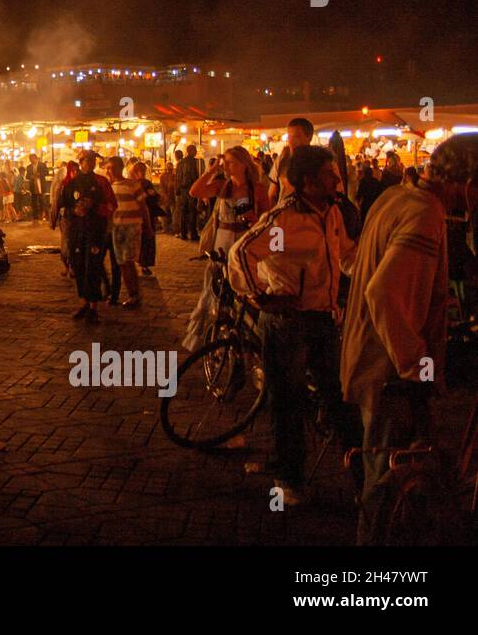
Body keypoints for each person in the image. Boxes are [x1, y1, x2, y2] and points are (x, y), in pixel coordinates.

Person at [341, 133, 477, 542]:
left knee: (392, 471)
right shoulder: (424, 214)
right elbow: (383, 293)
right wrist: (419, 365)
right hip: (389, 372)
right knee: (386, 483)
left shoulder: (396, 197)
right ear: (468, 185)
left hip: (369, 358)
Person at [228, 145, 360, 506]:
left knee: (339, 396)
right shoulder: (285, 221)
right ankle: (289, 479)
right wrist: (260, 297)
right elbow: (242, 253)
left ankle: (363, 475)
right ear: (307, 182)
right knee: (288, 400)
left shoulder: (331, 214)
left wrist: (372, 272)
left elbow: (346, 255)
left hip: (322, 316)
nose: (336, 179)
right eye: (329, 175)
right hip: (288, 322)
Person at [181, 146, 270, 349]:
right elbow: (195, 191)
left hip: (244, 240)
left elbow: (267, 219)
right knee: (216, 287)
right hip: (222, 240)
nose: (227, 166)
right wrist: (212, 170)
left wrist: (253, 219)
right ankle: (213, 333)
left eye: (231, 162)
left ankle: (240, 332)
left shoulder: (256, 189)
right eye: (226, 162)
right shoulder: (222, 186)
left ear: (243, 164)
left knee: (241, 287)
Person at [57, 151, 115, 323]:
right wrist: (74, 210)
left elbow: (111, 205)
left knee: (93, 267)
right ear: (80, 162)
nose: (89, 163)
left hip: (95, 231)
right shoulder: (71, 184)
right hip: (77, 231)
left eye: (91, 160)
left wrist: (95, 206)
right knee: (79, 266)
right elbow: (63, 207)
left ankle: (93, 307)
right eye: (85, 161)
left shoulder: (101, 182)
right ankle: (83, 302)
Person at [105, 156, 145, 309]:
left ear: (119, 168)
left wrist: (147, 226)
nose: (109, 171)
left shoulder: (133, 185)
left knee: (129, 261)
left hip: (131, 226)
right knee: (121, 262)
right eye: (107, 168)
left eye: (111, 167)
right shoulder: (108, 187)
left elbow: (143, 206)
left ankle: (135, 294)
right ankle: (131, 293)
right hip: (116, 227)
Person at [269, 117, 315, 204]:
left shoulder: (320, 161)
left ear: (309, 138)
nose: (291, 141)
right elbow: (271, 195)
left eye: (296, 137)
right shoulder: (281, 161)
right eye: (289, 137)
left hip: (312, 214)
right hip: (285, 214)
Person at [49, 160, 79, 277]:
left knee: (75, 243)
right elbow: (57, 203)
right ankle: (67, 266)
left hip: (78, 218)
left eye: (77, 170)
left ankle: (73, 266)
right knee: (66, 242)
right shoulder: (63, 185)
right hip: (66, 217)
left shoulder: (80, 184)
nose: (75, 173)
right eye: (73, 170)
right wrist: (54, 218)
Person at [130, 161, 159, 275]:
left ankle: (139, 262)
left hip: (136, 216)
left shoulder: (132, 184)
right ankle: (144, 263)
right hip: (145, 215)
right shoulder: (144, 183)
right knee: (146, 239)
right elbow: (152, 199)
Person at [177, 144, 205, 240]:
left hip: (183, 190)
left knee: (183, 212)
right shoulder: (196, 162)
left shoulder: (180, 163)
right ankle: (193, 233)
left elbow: (178, 178)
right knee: (193, 212)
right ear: (191, 151)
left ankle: (183, 233)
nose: (196, 152)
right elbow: (197, 176)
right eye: (195, 150)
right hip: (192, 189)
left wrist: (178, 190)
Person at [26, 153, 45, 223]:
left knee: (42, 200)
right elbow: (27, 176)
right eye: (30, 160)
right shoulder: (28, 167)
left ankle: (43, 214)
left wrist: (39, 174)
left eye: (32, 159)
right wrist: (31, 176)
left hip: (41, 185)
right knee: (33, 201)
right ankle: (35, 216)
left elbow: (46, 172)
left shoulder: (42, 165)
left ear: (36, 158)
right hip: (33, 185)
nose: (31, 161)